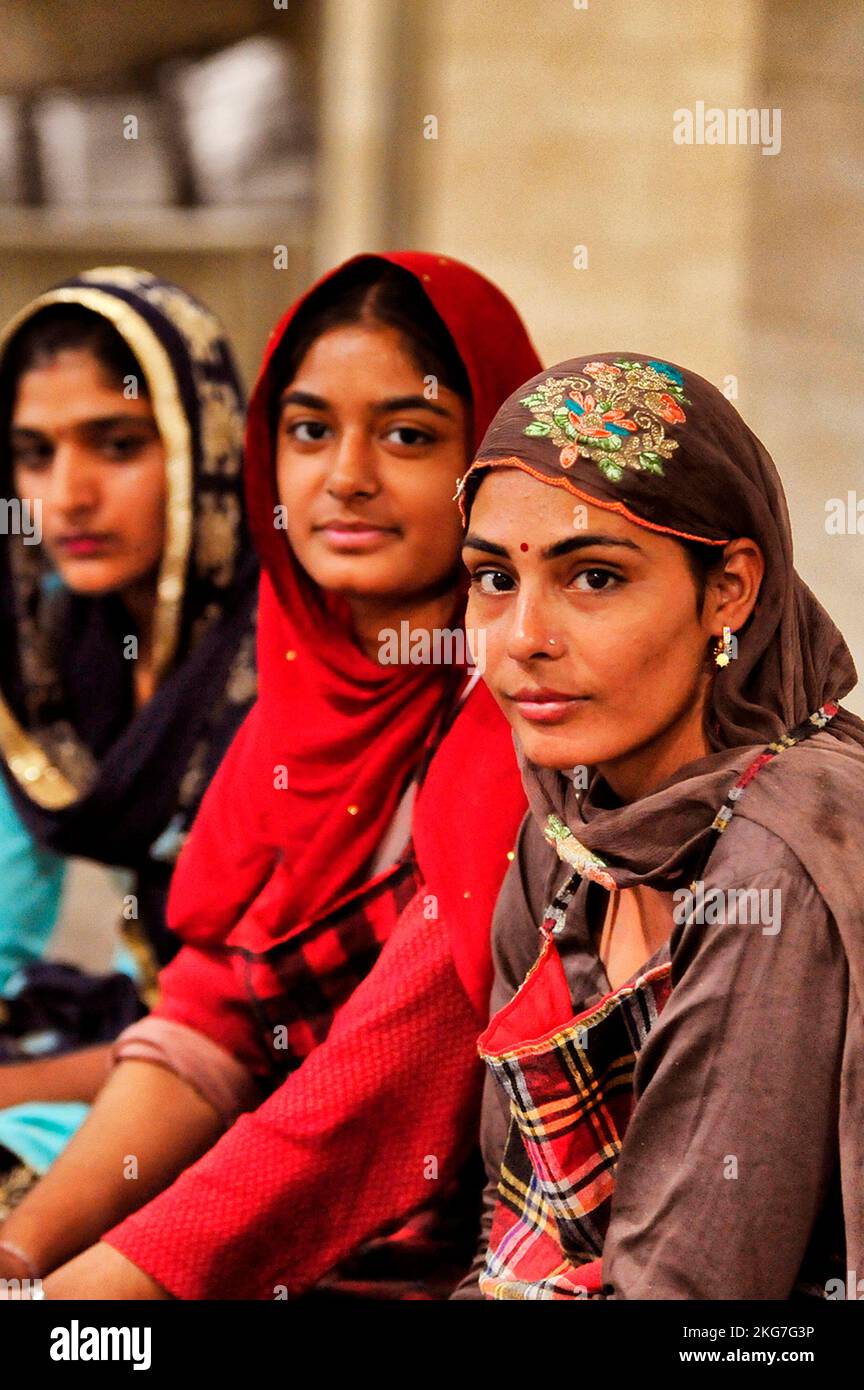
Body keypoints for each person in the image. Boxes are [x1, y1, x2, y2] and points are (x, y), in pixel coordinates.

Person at [0, 252, 542, 1299]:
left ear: (496, 461)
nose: (345, 477)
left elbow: (366, 1097)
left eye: (410, 435)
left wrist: (84, 1297)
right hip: (268, 1189)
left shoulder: (521, 727)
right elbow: (212, 1016)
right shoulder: (302, 693)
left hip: (462, 1240)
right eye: (307, 430)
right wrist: (25, 1256)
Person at [451, 352, 864, 1300]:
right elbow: (509, 1230)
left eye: (593, 577)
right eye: (491, 578)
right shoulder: (566, 833)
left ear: (729, 590)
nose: (524, 637)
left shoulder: (788, 845)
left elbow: (693, 1293)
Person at [0, 268, 258, 1202]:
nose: (65, 495)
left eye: (115, 445)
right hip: (114, 1036)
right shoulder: (64, 647)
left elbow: (258, 1023)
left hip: (247, 1084)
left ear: (206, 444)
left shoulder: (284, 661)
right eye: (33, 454)